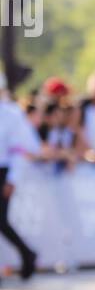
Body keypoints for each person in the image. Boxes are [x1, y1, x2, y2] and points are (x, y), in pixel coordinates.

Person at [0, 85, 40, 280]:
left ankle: (27, 254)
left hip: (3, 172)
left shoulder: (11, 114)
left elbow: (20, 150)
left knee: (1, 221)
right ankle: (27, 254)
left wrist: (12, 178)